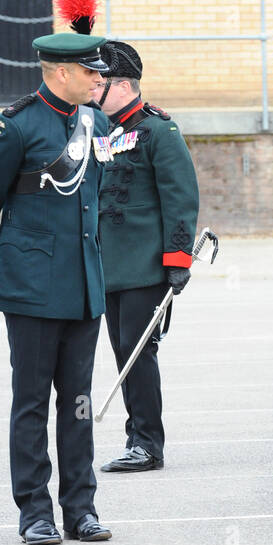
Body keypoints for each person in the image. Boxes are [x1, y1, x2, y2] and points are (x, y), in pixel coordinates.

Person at [0, 30, 114, 545]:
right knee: (30, 401)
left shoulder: (97, 121)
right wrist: (0, 255)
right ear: (60, 73)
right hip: (30, 286)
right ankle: (35, 511)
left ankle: (81, 507)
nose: (100, 79)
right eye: (92, 72)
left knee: (78, 401)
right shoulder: (14, 126)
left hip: (84, 284)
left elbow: (100, 194)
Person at [93, 40, 199, 472]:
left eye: (99, 83)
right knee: (123, 352)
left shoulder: (159, 130)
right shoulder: (105, 129)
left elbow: (181, 198)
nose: (93, 90)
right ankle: (136, 436)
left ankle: (147, 445)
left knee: (138, 353)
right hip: (108, 267)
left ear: (121, 85)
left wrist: (177, 261)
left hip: (144, 267)